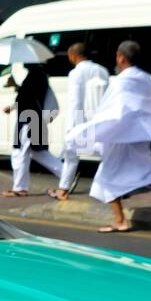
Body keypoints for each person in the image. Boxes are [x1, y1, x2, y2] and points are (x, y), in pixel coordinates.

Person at [68, 40, 151, 233]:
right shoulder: (145, 78)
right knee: (144, 172)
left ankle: (120, 220)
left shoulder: (121, 81)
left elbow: (112, 111)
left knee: (106, 177)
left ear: (121, 58)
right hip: (139, 134)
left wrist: (92, 128)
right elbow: (148, 106)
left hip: (120, 137)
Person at [48, 43, 109, 202]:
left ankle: (63, 190)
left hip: (82, 120)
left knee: (71, 154)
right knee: (106, 154)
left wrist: (71, 127)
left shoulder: (75, 73)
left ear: (74, 56)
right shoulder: (103, 71)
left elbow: (75, 101)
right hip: (101, 119)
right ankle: (118, 188)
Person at [1, 63, 62, 197]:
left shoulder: (35, 76)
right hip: (32, 119)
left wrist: (15, 86)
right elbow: (29, 97)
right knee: (37, 153)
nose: (23, 63)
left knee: (20, 152)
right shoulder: (38, 75)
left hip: (29, 120)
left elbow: (27, 98)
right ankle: (66, 175)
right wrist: (16, 88)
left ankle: (20, 188)